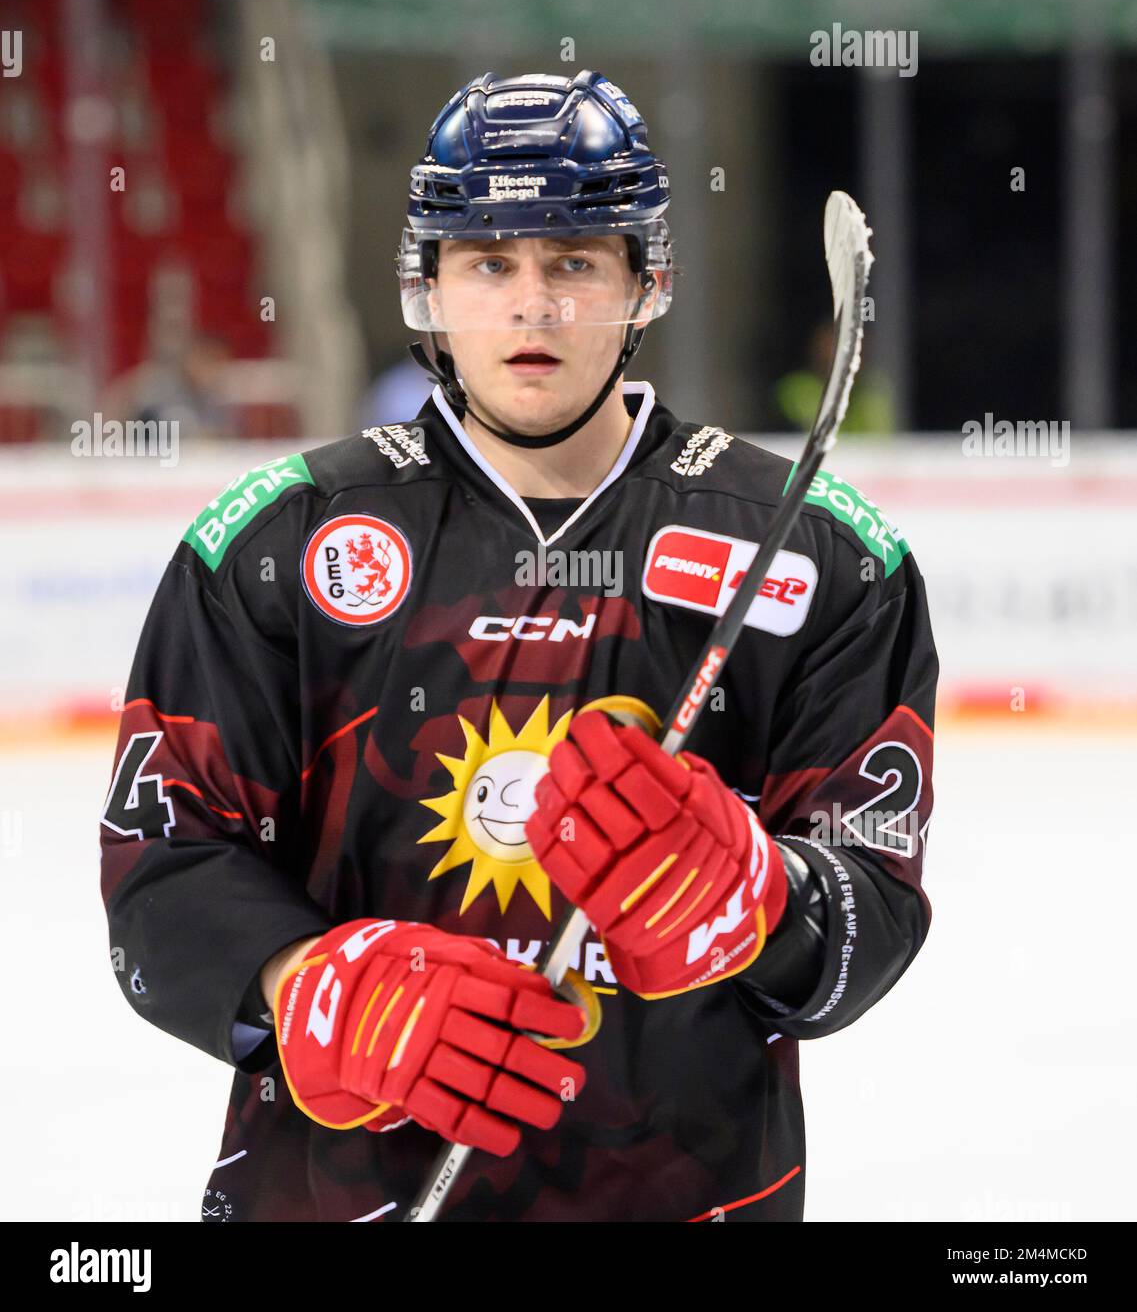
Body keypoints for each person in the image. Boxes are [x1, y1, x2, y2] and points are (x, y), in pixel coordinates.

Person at [99, 69, 938, 1223]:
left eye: (576, 263)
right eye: (490, 263)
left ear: (649, 284)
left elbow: (872, 917)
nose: (533, 306)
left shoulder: (820, 560)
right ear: (428, 289)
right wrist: (307, 987)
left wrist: (761, 899)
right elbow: (161, 870)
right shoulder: (274, 545)